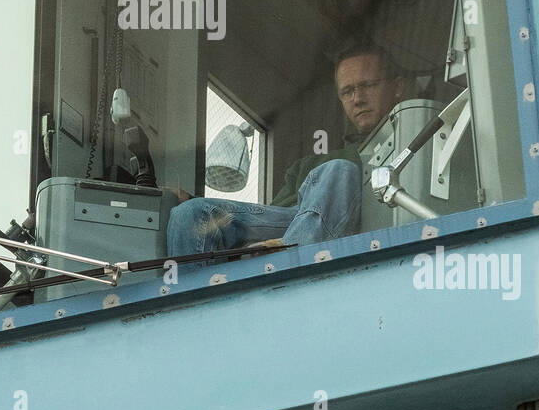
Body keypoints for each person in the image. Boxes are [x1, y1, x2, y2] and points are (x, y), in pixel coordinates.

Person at [166, 42, 410, 255]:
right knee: (190, 214)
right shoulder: (305, 166)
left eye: (368, 85)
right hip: (293, 226)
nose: (358, 99)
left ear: (397, 86)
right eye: (347, 91)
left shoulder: (415, 145)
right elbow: (272, 218)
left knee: (339, 171)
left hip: (358, 232)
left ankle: (289, 269)